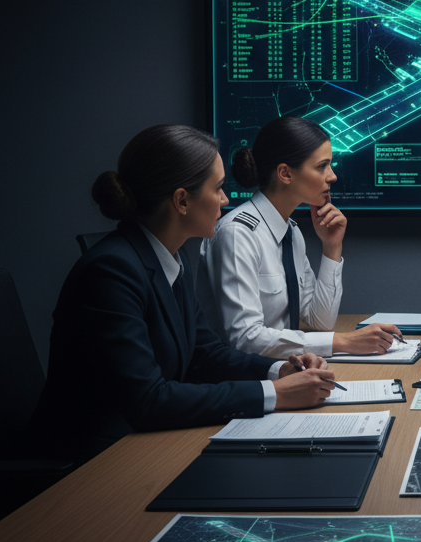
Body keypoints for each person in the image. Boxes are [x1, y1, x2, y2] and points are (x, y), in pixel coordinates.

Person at [33, 125, 337, 461]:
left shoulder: (171, 258)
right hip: (92, 461)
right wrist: (274, 393)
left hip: (141, 444)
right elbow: (149, 401)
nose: (225, 199)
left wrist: (279, 370)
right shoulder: (110, 271)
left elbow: (204, 354)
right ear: (181, 201)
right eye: (218, 188)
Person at [199, 116, 399, 357]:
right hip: (241, 384)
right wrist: (344, 342)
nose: (332, 176)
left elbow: (319, 321)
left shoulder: (291, 232)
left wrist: (331, 247)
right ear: (285, 173)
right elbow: (245, 339)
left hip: (285, 373)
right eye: (321, 166)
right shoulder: (237, 234)